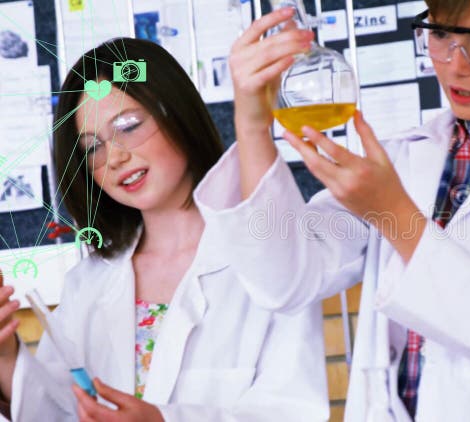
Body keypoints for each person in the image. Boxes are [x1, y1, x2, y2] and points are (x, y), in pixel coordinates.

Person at [197, 1, 470, 421]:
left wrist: (393, 212)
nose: (455, 64)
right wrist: (253, 122)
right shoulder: (407, 154)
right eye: (441, 34)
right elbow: (285, 279)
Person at [0, 38, 328, 421]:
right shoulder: (86, 284)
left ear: (177, 112)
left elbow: (294, 411)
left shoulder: (274, 263)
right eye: (93, 148)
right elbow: (58, 414)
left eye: (129, 126)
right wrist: (6, 358)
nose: (116, 157)